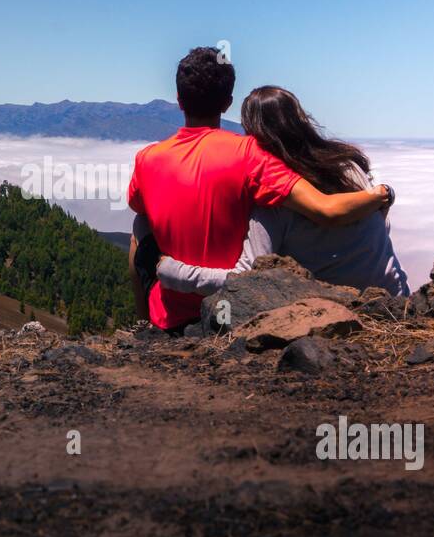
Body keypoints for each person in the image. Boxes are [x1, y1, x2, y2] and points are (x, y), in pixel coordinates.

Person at [126, 48, 393, 331]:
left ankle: (145, 325)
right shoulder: (250, 154)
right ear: (227, 103)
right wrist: (383, 193)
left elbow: (141, 209)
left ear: (179, 101)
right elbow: (324, 208)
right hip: (229, 306)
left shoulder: (146, 158)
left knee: (138, 226)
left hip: (176, 309)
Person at [148, 85, 410, 299]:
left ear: (253, 134)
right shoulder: (349, 166)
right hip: (398, 301)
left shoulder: (276, 201)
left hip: (342, 315)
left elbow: (246, 281)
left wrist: (174, 272)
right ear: (300, 119)